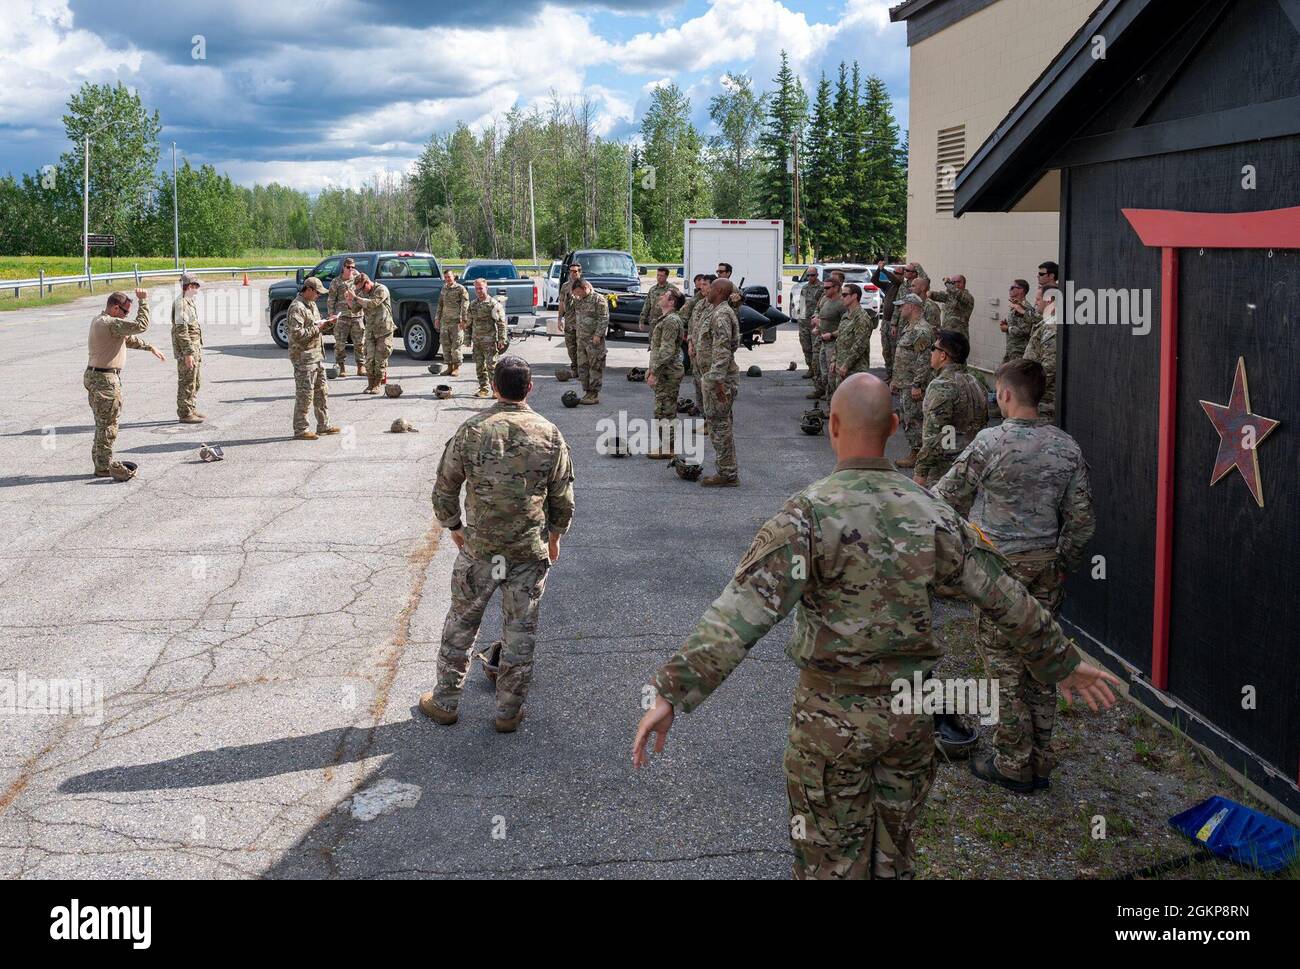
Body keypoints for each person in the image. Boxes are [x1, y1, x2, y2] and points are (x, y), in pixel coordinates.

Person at [632, 372, 1121, 879]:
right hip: (910, 720)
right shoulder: (934, 514)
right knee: (895, 857)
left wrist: (672, 691)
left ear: (833, 427)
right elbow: (1007, 597)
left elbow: (740, 614)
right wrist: (1062, 662)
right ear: (893, 426)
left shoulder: (807, 515)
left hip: (829, 723)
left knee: (830, 862)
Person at [934, 358, 1096, 792]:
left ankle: (1011, 762)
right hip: (1045, 567)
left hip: (997, 571)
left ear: (1004, 394)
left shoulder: (990, 443)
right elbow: (1081, 521)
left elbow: (944, 499)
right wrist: (1062, 565)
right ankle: (1041, 760)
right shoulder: (1067, 447)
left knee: (1002, 669)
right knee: (1042, 661)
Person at [422, 355, 575, 733]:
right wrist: (555, 539)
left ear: (494, 386)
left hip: (481, 550)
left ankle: (445, 702)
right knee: (519, 633)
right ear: (529, 388)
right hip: (527, 552)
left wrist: (456, 528)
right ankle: (507, 713)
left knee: (461, 623)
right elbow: (563, 499)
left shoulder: (472, 430)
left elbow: (444, 488)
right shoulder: (550, 434)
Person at [84, 288, 165, 477]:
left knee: (103, 422)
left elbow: (127, 339)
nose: (127, 315)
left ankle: (101, 461)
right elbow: (140, 325)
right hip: (104, 379)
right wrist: (143, 301)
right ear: (114, 308)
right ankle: (103, 466)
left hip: (98, 376)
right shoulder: (109, 322)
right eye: (125, 311)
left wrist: (149, 346)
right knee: (108, 424)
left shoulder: (103, 321)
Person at [913, 330, 987, 487]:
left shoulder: (941, 385)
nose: (931, 352)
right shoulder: (975, 382)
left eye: (934, 348)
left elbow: (933, 437)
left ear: (943, 355)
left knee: (939, 511)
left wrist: (920, 473)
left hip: (945, 470)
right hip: (971, 465)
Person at [696, 279, 741, 486]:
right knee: (719, 424)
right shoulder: (717, 310)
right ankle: (727, 470)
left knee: (719, 425)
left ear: (720, 291)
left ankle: (727, 474)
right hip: (714, 377)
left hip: (718, 381)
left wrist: (717, 380)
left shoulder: (722, 314)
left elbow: (723, 349)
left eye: (712, 287)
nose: (707, 290)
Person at [287, 276, 341, 440]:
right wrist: (317, 328)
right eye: (317, 292)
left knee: (321, 393)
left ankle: (323, 425)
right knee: (305, 395)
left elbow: (317, 327)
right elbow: (297, 335)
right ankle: (301, 429)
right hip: (304, 359)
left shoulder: (311, 305)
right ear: (308, 290)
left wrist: (329, 323)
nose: (319, 295)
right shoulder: (297, 308)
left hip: (316, 356)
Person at [890, 293, 936, 469]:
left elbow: (924, 360)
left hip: (913, 384)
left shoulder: (921, 330)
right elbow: (903, 356)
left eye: (902, 306)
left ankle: (918, 454)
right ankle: (916, 452)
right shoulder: (910, 327)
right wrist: (895, 380)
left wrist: (917, 385)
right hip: (904, 382)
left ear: (912, 306)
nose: (900, 309)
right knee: (908, 418)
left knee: (914, 419)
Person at [646, 289, 687, 459]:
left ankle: (669, 448)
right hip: (665, 371)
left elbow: (667, 351)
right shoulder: (666, 319)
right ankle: (667, 446)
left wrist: (654, 372)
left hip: (667, 372)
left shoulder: (671, 321)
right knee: (663, 410)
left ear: (671, 302)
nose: (661, 296)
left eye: (665, 296)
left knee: (665, 411)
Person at [347, 273, 395, 393]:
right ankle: (370, 383)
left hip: (384, 330)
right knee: (369, 358)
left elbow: (373, 303)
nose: (361, 291)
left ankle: (377, 384)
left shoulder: (381, 289)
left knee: (380, 358)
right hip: (371, 330)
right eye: (359, 289)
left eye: (362, 288)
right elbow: (354, 309)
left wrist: (356, 298)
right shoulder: (363, 293)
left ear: (368, 283)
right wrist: (349, 300)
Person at [881, 261, 926, 383]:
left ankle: (910, 380)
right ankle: (894, 377)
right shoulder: (903, 286)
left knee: (911, 352)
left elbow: (926, 279)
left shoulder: (920, 284)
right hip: (901, 323)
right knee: (896, 350)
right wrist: (894, 324)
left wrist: (919, 267)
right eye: (905, 270)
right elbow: (897, 305)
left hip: (913, 323)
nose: (905, 272)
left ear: (914, 273)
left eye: (908, 270)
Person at [1023, 272, 1059, 421]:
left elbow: (1049, 368)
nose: (1035, 302)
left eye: (1038, 299)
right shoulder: (1047, 323)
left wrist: (1027, 394)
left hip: (1044, 401)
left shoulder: (1052, 327)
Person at [171, 272, 205, 424]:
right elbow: (181, 330)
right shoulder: (182, 304)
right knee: (186, 380)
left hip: (194, 348)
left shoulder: (188, 301)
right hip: (188, 350)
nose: (198, 288)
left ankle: (190, 407)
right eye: (196, 285)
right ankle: (185, 413)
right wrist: (188, 353)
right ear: (190, 286)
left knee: (195, 380)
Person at [466, 278, 508, 398]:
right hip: (477, 342)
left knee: (492, 367)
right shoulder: (473, 305)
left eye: (481, 288)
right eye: (477, 288)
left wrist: (501, 340)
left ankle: (496, 390)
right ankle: (483, 389)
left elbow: (501, 323)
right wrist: (467, 339)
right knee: (480, 367)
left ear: (486, 288)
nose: (479, 291)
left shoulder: (493, 304)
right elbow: (469, 323)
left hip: (489, 342)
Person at [832, 283, 876, 395]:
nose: (842, 297)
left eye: (845, 294)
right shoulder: (846, 315)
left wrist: (846, 365)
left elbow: (860, 345)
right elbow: (840, 340)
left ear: (854, 296)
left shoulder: (862, 318)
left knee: (854, 404)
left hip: (855, 370)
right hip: (841, 368)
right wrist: (834, 360)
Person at [572, 279, 610, 405]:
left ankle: (594, 394)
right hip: (581, 340)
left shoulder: (598, 299)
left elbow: (604, 318)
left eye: (579, 292)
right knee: (582, 366)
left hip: (593, 340)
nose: (578, 295)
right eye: (576, 293)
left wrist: (598, 335)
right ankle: (587, 391)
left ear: (586, 288)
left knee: (595, 367)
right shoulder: (578, 300)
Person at [327, 257, 365, 377]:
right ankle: (341, 367)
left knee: (360, 343)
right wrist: (331, 314)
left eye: (353, 267)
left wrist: (357, 274)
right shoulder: (336, 282)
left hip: (357, 316)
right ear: (343, 267)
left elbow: (364, 288)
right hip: (342, 316)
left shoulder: (357, 280)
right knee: (340, 343)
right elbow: (331, 299)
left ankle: (360, 366)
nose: (351, 269)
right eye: (348, 267)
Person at [811, 273, 846, 402]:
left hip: (834, 344)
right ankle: (829, 399)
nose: (824, 290)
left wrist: (831, 334)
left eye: (827, 288)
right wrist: (818, 327)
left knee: (832, 376)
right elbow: (821, 315)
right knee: (824, 373)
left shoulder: (841, 304)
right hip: (824, 343)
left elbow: (845, 327)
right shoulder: (826, 300)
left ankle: (835, 404)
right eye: (824, 288)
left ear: (836, 288)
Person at [687, 275, 716, 409]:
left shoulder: (718, 307)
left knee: (710, 391)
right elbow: (691, 327)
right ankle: (702, 415)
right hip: (696, 355)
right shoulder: (699, 305)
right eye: (701, 284)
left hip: (709, 357)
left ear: (713, 287)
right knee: (698, 385)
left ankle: (710, 422)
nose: (701, 287)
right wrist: (690, 344)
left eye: (705, 285)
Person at [435, 269, 470, 376]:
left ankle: (456, 368)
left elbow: (465, 305)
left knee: (456, 346)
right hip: (445, 322)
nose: (447, 279)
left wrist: (463, 320)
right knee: (446, 346)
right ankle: (449, 367)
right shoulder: (444, 288)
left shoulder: (460, 289)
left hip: (456, 323)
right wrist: (437, 318)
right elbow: (440, 304)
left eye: (449, 277)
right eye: (445, 277)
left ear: (454, 277)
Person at [799, 268, 825, 386]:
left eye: (812, 275)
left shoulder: (822, 288)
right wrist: (801, 320)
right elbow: (802, 305)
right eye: (808, 275)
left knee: (816, 349)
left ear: (817, 275)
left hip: (816, 322)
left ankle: (817, 371)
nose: (810, 277)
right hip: (805, 322)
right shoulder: (804, 288)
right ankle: (810, 368)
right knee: (806, 347)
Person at [556, 262, 584, 372]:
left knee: (581, 348)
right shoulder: (565, 286)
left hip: (582, 322)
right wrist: (559, 319)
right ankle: (575, 367)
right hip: (569, 321)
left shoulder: (585, 285)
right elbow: (562, 303)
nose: (573, 273)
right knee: (570, 347)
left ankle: (581, 370)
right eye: (571, 271)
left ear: (580, 273)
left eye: (575, 271)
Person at [1000, 279, 1034, 362]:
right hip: (1011, 350)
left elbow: (1026, 330)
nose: (1009, 290)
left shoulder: (1025, 308)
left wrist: (1007, 328)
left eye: (1012, 287)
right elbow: (1017, 325)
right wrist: (1007, 324)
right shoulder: (1016, 305)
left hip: (1019, 352)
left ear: (1021, 290)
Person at [930, 275, 974, 339]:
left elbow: (958, 294)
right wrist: (930, 293)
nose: (951, 285)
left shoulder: (968, 297)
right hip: (946, 333)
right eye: (951, 283)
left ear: (960, 283)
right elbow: (939, 295)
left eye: (952, 283)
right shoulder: (950, 296)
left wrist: (947, 283)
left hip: (958, 335)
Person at [639, 267, 675, 335]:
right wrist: (642, 320)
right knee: (652, 343)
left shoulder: (672, 289)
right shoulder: (652, 289)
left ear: (666, 276)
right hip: (653, 323)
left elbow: (677, 306)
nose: (659, 277)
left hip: (666, 323)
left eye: (661, 276)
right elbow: (647, 305)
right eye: (657, 275)